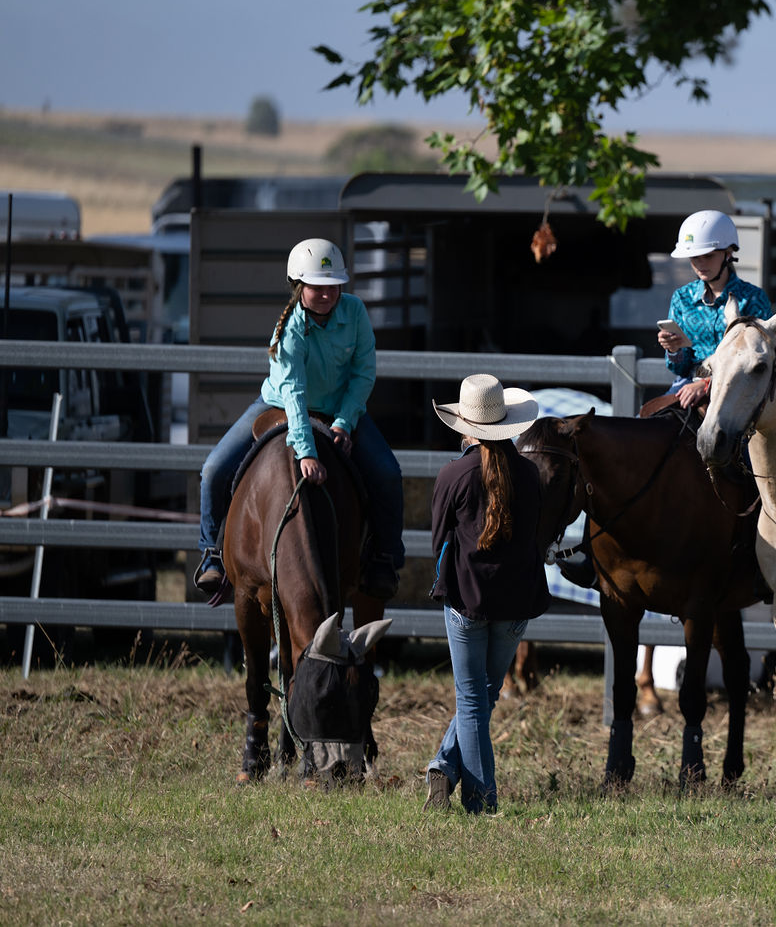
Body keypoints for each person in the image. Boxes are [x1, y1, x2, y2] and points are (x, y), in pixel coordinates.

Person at [194, 238, 403, 601]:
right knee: (213, 469)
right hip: (279, 405)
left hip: (341, 408)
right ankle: (212, 552)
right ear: (298, 286)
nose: (326, 293)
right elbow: (294, 393)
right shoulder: (289, 328)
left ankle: (384, 556)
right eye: (317, 286)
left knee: (387, 472)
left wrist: (344, 422)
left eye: (333, 285)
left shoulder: (354, 312)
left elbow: (364, 372)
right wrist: (306, 452)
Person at [425, 373, 552, 814]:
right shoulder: (531, 474)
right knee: (485, 694)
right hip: (516, 602)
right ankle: (443, 768)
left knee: (473, 699)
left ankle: (482, 802)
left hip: (467, 599)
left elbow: (437, 538)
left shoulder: (453, 474)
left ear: (464, 425)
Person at [657, 209, 773, 410]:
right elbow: (679, 368)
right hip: (688, 386)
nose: (700, 264)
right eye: (694, 257)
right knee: (646, 423)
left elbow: (758, 362)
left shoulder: (754, 298)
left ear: (728, 254)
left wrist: (707, 384)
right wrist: (673, 350)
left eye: (708, 256)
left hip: (739, 392)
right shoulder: (682, 298)